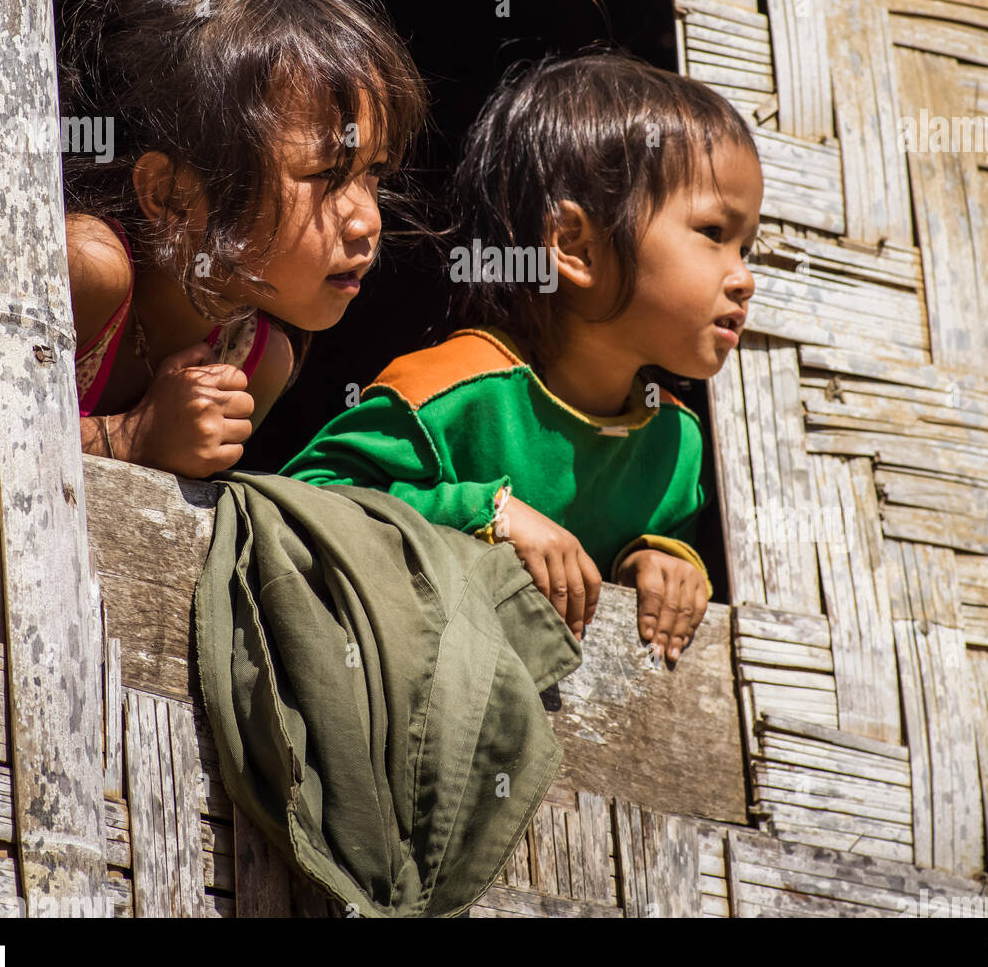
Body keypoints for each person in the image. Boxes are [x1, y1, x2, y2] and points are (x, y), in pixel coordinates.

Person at [283, 48, 762, 664]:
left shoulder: (677, 444)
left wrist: (659, 560)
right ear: (574, 247)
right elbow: (302, 499)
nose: (744, 278)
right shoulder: (456, 392)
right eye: (715, 235)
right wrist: (485, 512)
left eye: (748, 246)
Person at [60, 0, 426, 479]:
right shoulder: (87, 267)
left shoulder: (255, 360)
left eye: (372, 172)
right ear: (172, 195)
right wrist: (128, 437)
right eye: (324, 173)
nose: (368, 220)